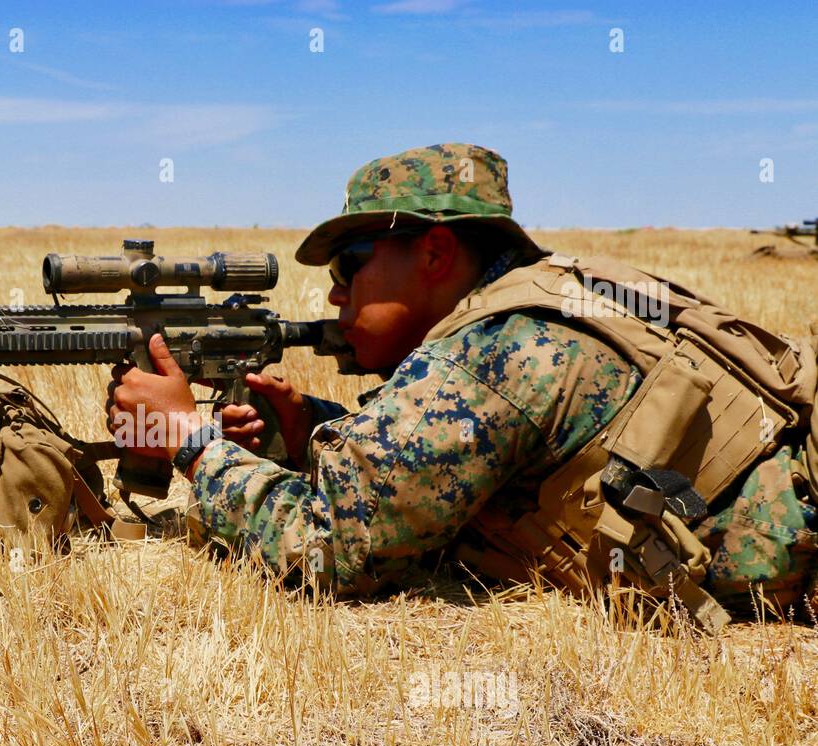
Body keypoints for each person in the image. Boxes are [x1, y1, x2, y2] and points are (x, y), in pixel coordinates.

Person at [106, 143, 818, 627]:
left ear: (437, 252)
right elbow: (458, 473)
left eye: (352, 264)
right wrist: (310, 429)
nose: (334, 297)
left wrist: (191, 441)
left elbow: (330, 554)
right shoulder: (546, 300)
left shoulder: (491, 354)